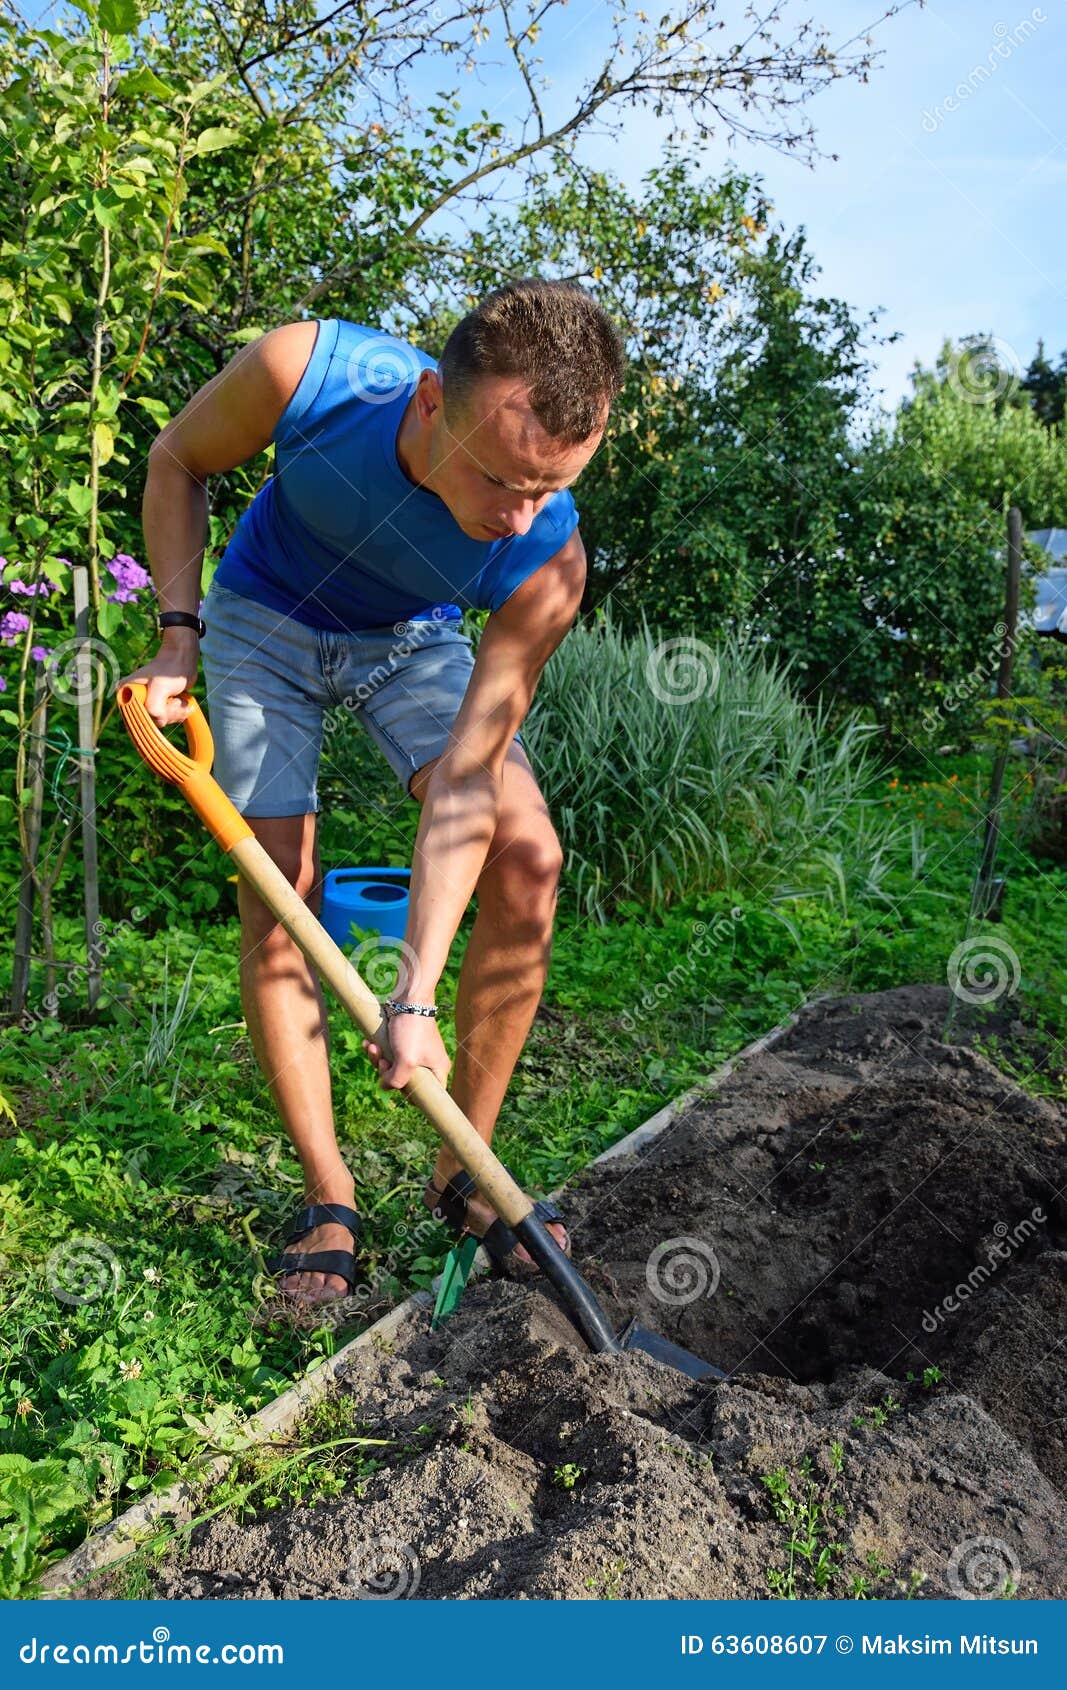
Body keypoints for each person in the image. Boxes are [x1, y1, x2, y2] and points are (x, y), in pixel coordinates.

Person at [123, 278, 627, 1305]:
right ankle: (328, 1195)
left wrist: (413, 996)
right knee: (281, 889)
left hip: (411, 638)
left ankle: (466, 1174)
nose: (517, 516)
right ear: (433, 400)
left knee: (528, 854)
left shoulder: (545, 556)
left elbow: (467, 788)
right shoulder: (308, 376)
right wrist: (180, 629)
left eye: (551, 487)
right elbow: (176, 460)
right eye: (499, 480)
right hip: (266, 612)